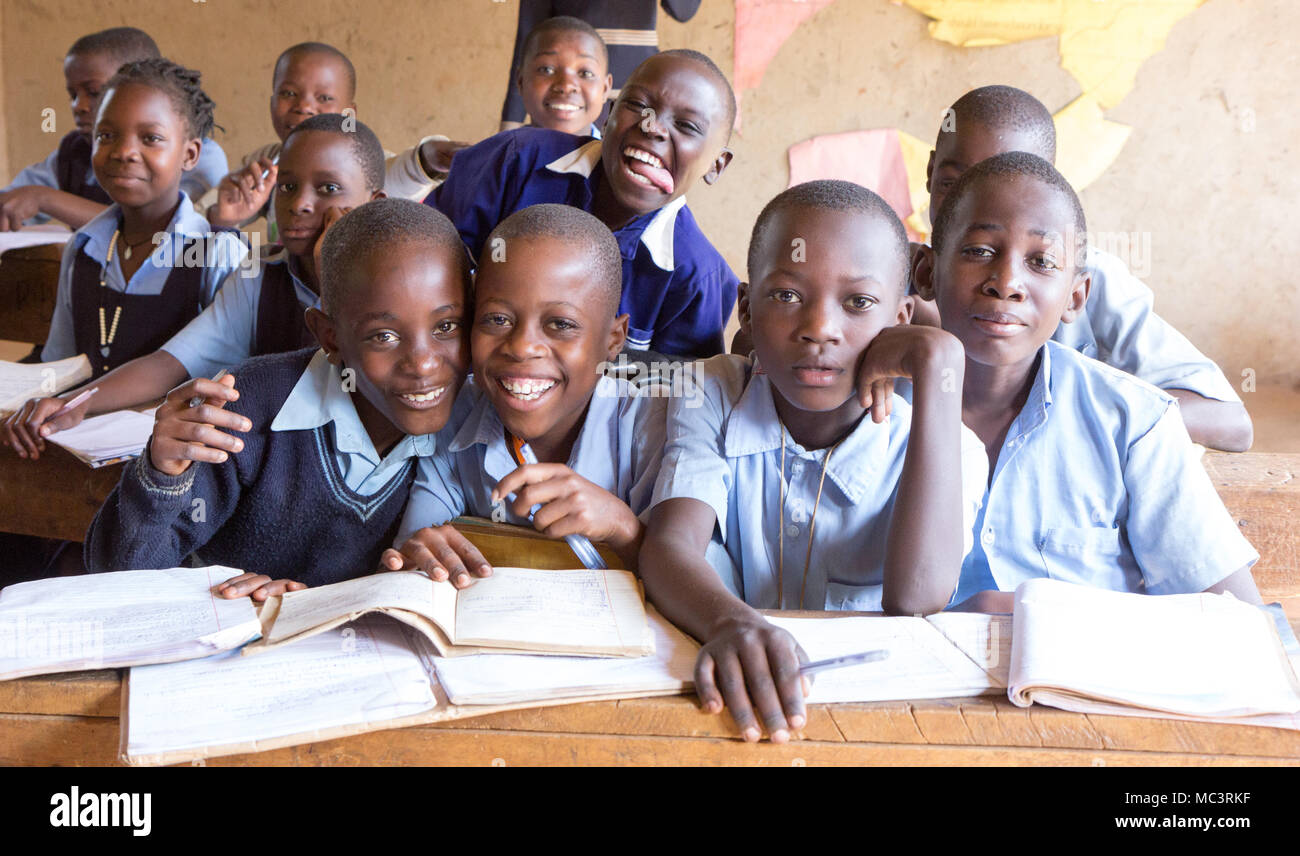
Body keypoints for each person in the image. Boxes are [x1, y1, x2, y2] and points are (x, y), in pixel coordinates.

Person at [639, 180, 985, 742]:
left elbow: (916, 597)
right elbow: (670, 546)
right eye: (788, 295)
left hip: (877, 728)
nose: (819, 329)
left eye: (859, 303)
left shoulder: (947, 447)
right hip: (725, 716)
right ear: (745, 310)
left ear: (899, 321)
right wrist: (731, 623)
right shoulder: (712, 391)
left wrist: (939, 362)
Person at [911, 151, 1261, 613]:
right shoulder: (877, 410)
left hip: (1084, 682)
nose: (1006, 282)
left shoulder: (1136, 422)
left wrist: (1041, 613)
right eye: (980, 251)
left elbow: (1239, 623)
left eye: (1041, 261)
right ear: (927, 273)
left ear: (1076, 297)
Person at [83, 199, 479, 599]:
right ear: (329, 337)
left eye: (446, 326)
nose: (424, 364)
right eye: (384, 336)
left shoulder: (478, 426)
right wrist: (161, 475)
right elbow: (119, 575)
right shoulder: (244, 411)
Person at [1, 113, 386, 458]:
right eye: (286, 187)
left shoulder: (397, 287)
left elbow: (360, 395)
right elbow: (169, 363)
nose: (300, 203)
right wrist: (74, 404)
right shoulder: (260, 277)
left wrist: (332, 274)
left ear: (374, 204)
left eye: (328, 189)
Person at [912, 85, 1252, 451]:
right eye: (953, 185)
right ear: (931, 173)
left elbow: (1230, 423)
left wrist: (1080, 409)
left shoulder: (1087, 280)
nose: (974, 207)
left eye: (1011, 183)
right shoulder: (885, 276)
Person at [387, 204, 666, 580]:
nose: (521, 347)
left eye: (561, 324)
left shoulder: (655, 426)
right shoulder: (455, 416)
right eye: (498, 319)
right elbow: (412, 558)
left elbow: (714, 593)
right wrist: (417, 557)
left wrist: (624, 530)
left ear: (612, 340)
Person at [432, 49, 737, 359]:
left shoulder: (698, 280)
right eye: (638, 105)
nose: (652, 126)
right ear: (609, 116)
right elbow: (421, 273)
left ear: (716, 165)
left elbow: (675, 391)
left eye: (687, 126)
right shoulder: (512, 161)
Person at [200, 42, 462, 234]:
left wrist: (423, 161)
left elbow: (396, 179)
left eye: (324, 98)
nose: (303, 107)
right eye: (288, 93)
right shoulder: (267, 159)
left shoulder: (365, 160)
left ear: (349, 115)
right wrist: (220, 218)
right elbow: (206, 215)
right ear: (271, 104)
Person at [0, 27, 227, 230]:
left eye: (94, 92)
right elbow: (15, 199)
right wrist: (27, 200)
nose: (78, 106)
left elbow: (163, 229)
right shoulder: (77, 152)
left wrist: (46, 199)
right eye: (73, 95)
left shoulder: (198, 157)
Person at [501, 0, 701, 132]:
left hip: (638, 97)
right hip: (570, 100)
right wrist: (511, 125)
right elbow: (529, 40)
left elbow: (683, 10)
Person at [512, 17, 611, 137]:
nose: (566, 85)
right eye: (547, 70)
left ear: (605, 88)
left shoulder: (614, 156)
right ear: (521, 81)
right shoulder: (495, 154)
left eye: (586, 74)